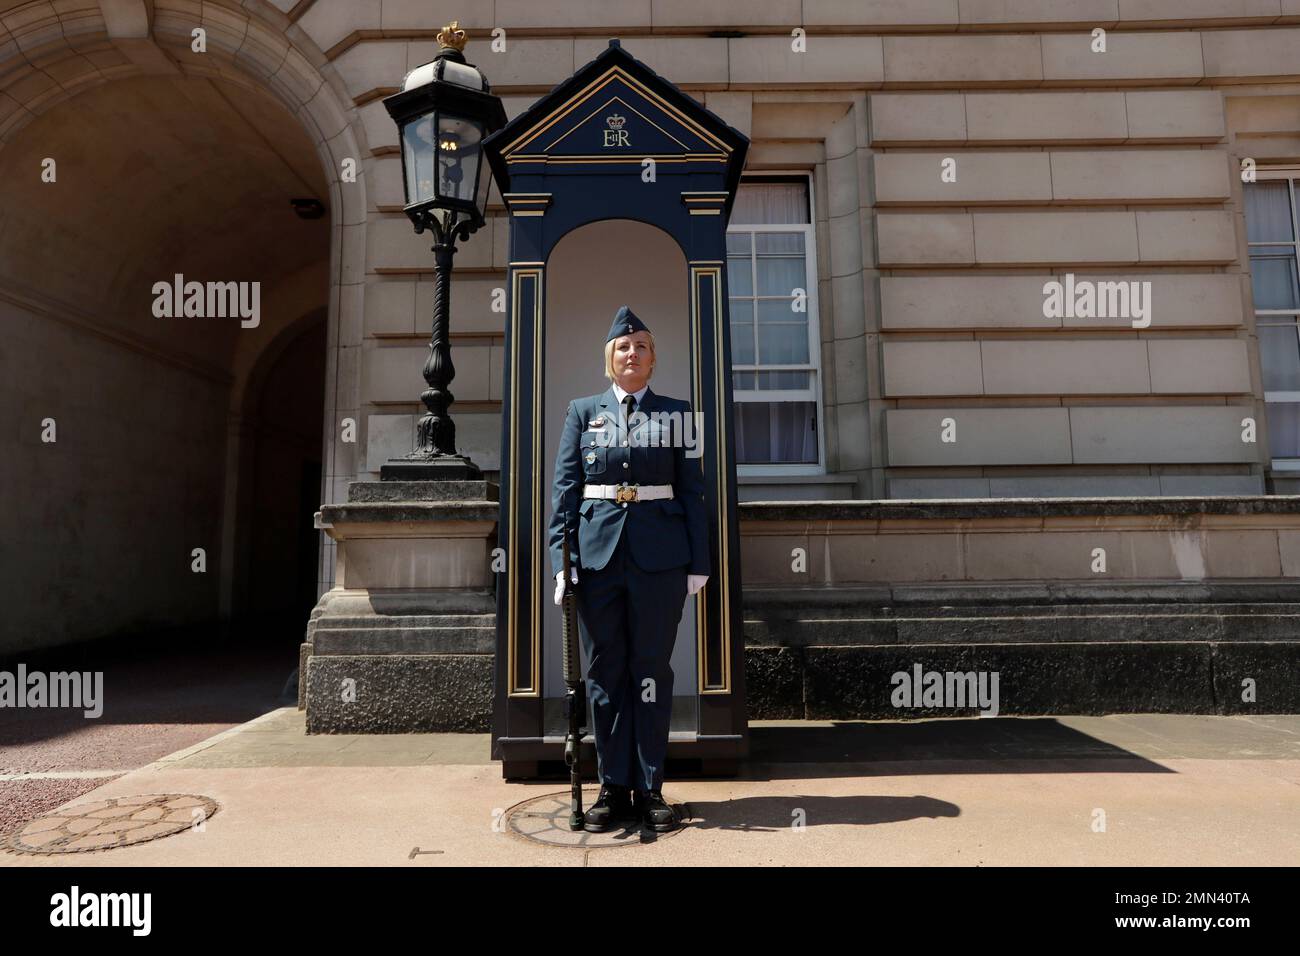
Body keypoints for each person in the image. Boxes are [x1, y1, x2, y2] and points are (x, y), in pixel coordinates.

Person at [548, 305, 710, 833]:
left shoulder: (679, 415)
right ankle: (612, 786)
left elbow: (694, 492)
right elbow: (566, 493)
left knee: (650, 672)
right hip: (596, 560)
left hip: (661, 561)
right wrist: (561, 562)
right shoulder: (580, 412)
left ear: (652, 358)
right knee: (604, 674)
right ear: (609, 360)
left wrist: (699, 561)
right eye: (623, 347)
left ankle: (651, 786)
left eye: (641, 346)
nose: (632, 354)